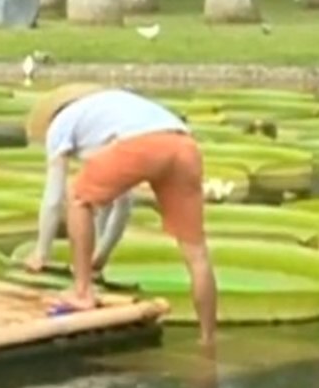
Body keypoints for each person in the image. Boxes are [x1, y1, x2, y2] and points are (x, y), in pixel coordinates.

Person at [24, 83, 219, 347]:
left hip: (145, 145)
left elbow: (53, 198)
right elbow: (122, 203)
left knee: (77, 199)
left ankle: (81, 292)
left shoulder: (60, 125)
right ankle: (208, 337)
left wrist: (41, 252)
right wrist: (100, 257)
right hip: (184, 145)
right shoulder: (110, 113)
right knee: (197, 253)